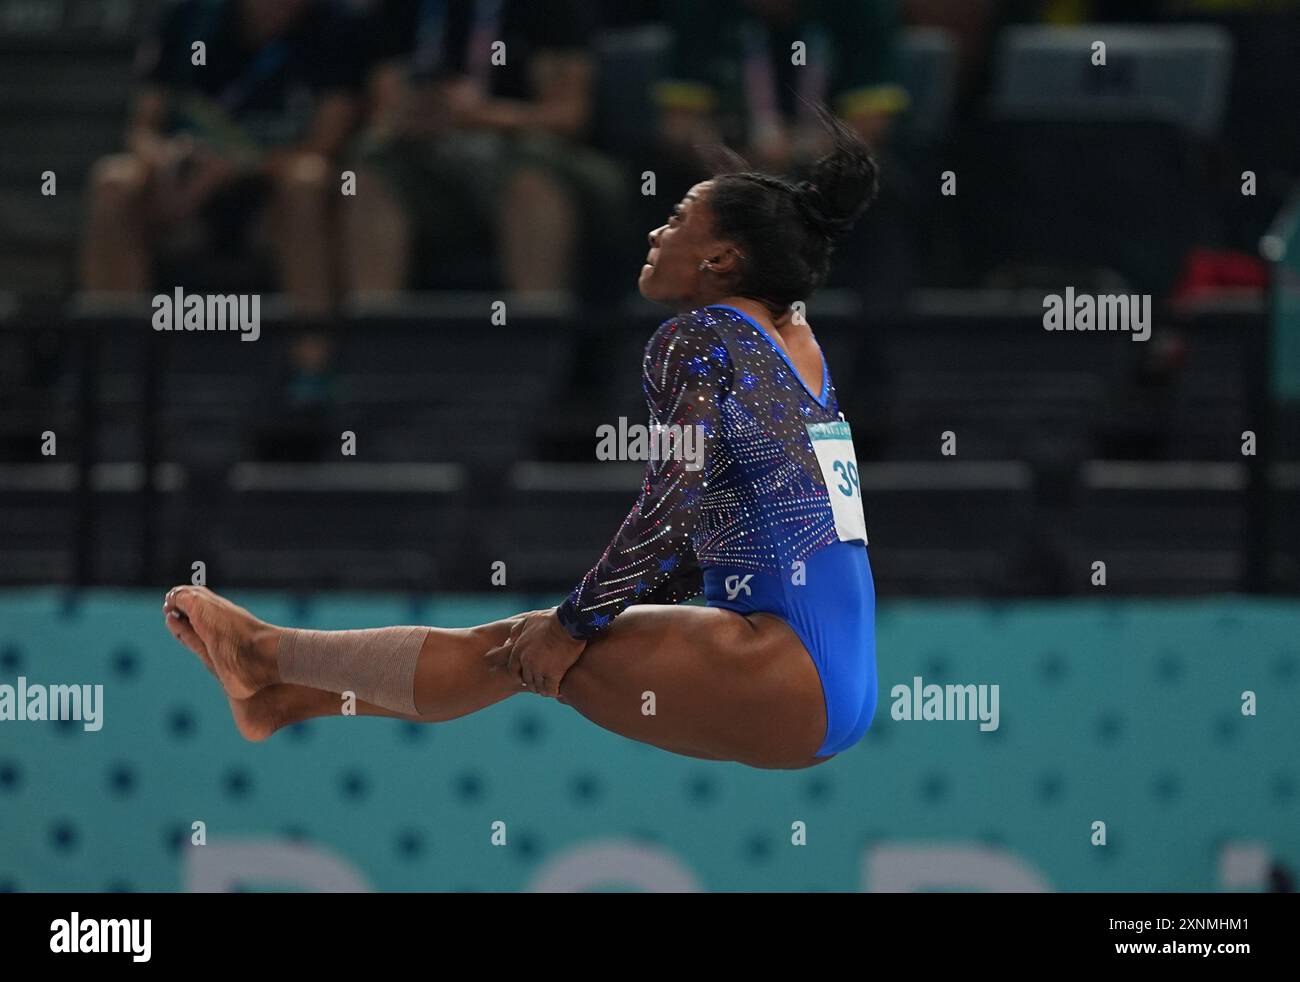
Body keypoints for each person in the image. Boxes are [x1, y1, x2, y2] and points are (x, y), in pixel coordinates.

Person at [163, 108, 879, 770]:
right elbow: (751, 518)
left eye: (677, 218)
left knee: (521, 650)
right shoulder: (798, 342)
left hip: (782, 662)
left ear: (720, 259)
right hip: (840, 677)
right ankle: (284, 694)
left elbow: (673, 510)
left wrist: (578, 621)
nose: (658, 233)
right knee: (514, 652)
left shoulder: (696, 337)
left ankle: (265, 659)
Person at [80, 0, 366, 313]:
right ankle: (116, 348)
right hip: (183, 190)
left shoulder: (337, 26)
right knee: (113, 180)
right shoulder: (189, 18)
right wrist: (166, 163)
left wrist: (233, 168)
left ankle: (312, 353)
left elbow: (326, 143)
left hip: (269, 194)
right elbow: (143, 128)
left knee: (308, 178)